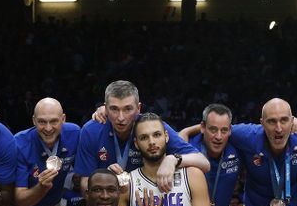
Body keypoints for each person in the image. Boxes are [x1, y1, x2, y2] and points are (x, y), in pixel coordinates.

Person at [74, 81, 207, 195]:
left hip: (145, 202)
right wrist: (104, 180)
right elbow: (85, 184)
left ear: (138, 108)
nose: (121, 117)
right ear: (105, 108)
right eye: (114, 109)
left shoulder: (151, 127)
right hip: (107, 204)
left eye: (127, 109)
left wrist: (173, 159)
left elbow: (203, 162)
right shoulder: (91, 131)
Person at [179, 104, 243, 206]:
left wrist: (295, 121)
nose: (219, 136)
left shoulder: (238, 149)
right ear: (202, 127)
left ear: (230, 131)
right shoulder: (187, 146)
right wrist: (186, 131)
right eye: (213, 129)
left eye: (224, 130)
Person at [13, 98, 79, 206]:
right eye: (42, 122)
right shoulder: (19, 143)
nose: (48, 128)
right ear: (34, 120)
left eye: (54, 121)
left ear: (63, 119)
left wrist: (102, 111)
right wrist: (41, 187)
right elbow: (20, 201)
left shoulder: (75, 134)